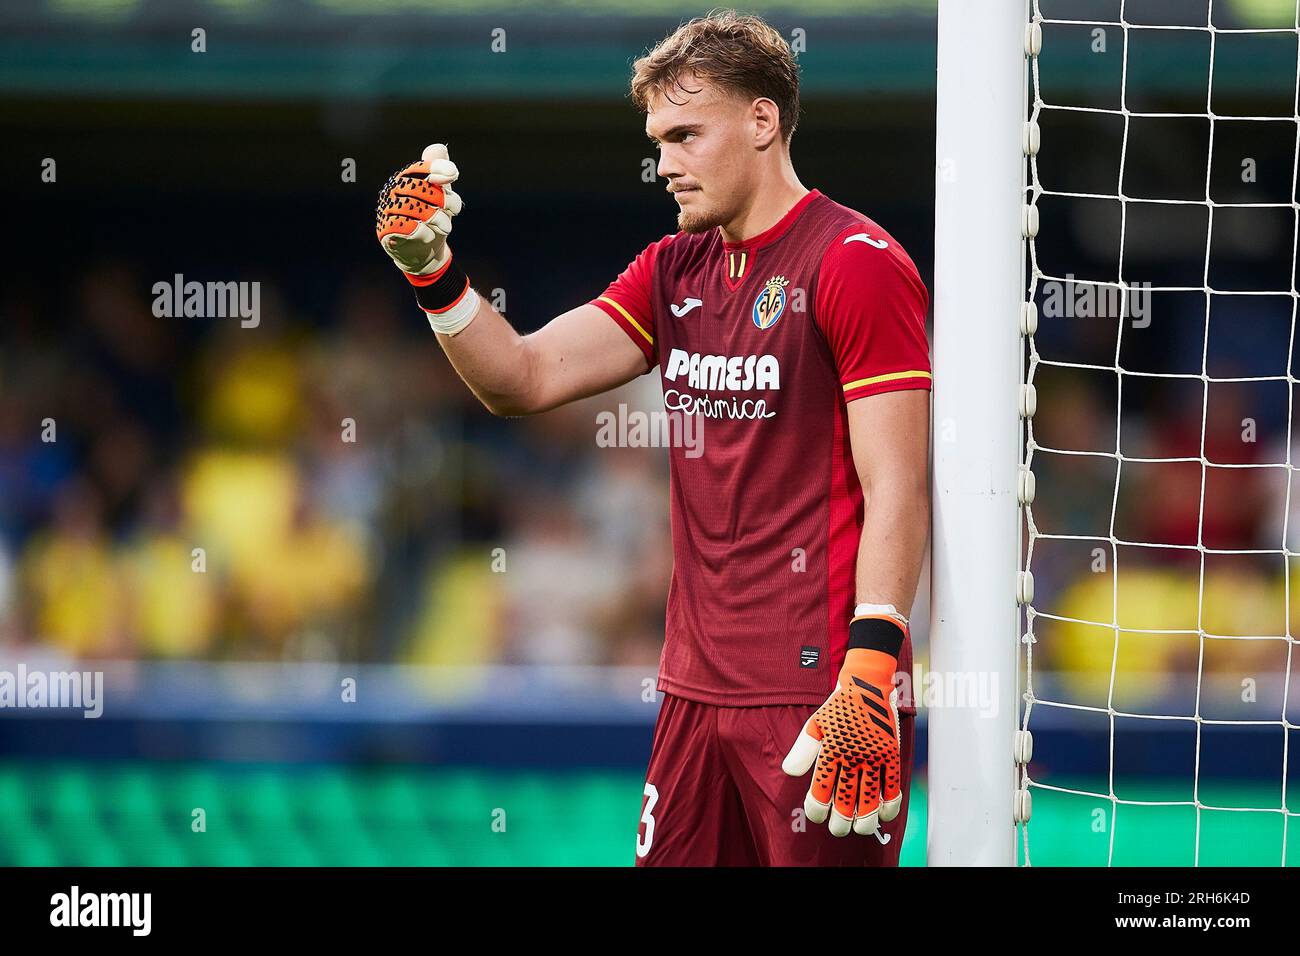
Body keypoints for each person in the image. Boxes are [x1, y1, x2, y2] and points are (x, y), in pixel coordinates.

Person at [374, 10, 931, 866]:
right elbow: (521, 377)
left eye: (684, 134)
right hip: (691, 697)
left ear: (761, 121)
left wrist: (870, 667)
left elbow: (898, 482)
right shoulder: (674, 268)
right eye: (657, 140)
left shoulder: (855, 260)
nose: (663, 163)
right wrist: (431, 271)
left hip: (818, 697)